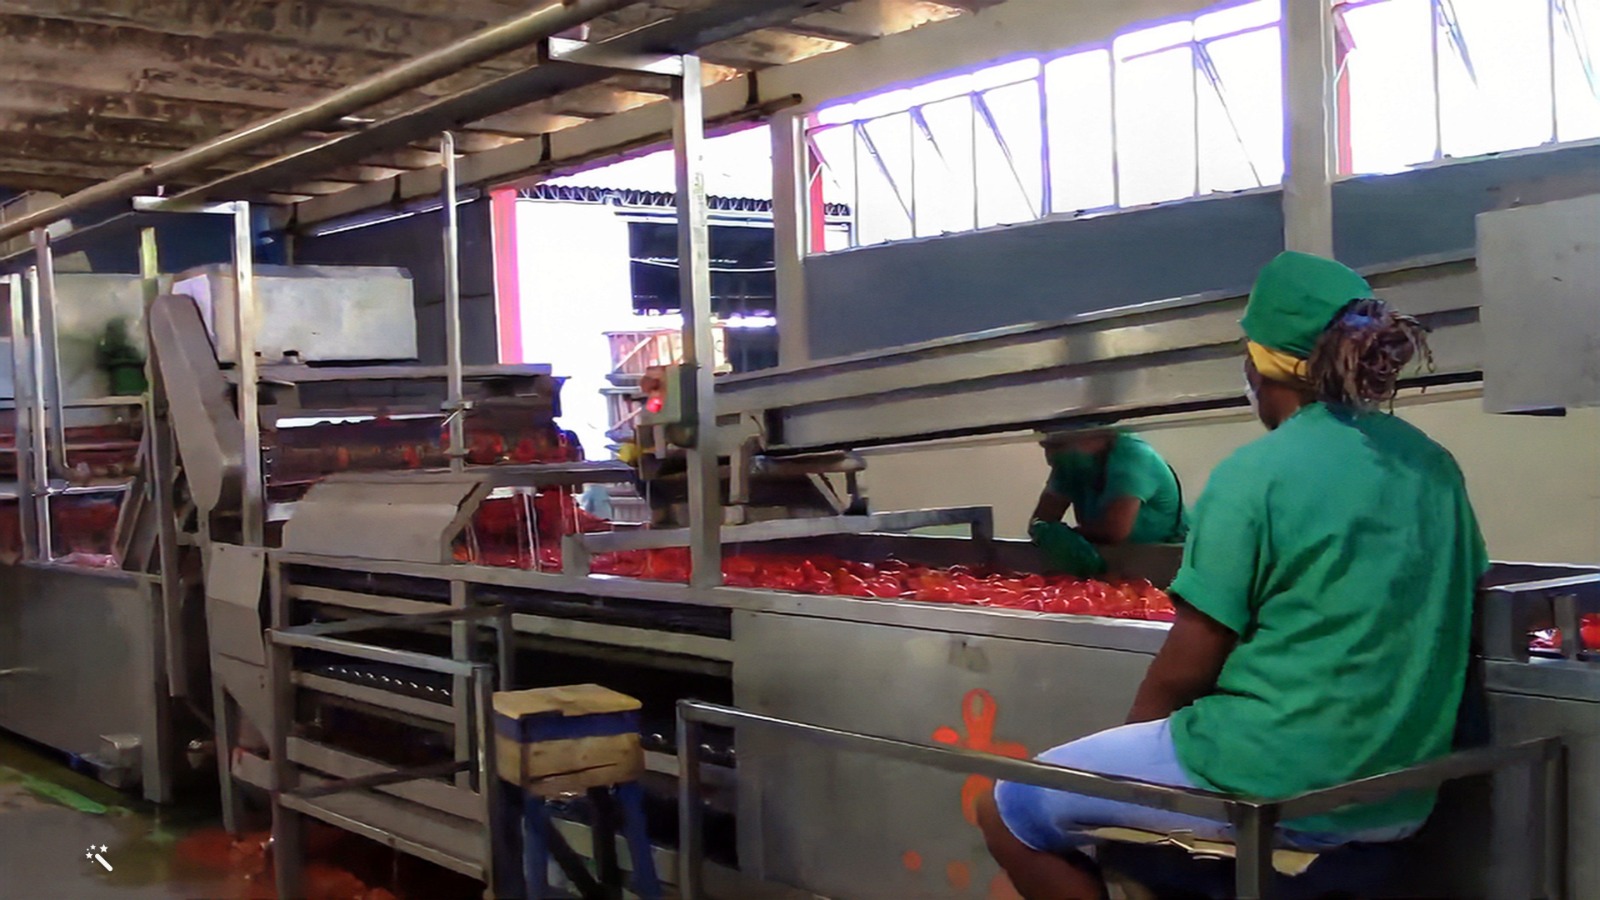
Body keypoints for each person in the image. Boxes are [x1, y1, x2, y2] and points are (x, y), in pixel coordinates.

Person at [977, 251, 1488, 900]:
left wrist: (1129, 757)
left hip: (1271, 774)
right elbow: (1458, 600)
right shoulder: (1433, 466)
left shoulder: (1255, 475)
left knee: (1011, 807)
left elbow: (1188, 661)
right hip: (1401, 790)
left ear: (1262, 363)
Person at [1028, 429, 1188, 576]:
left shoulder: (1133, 457)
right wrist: (1048, 532)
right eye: (1046, 446)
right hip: (1114, 566)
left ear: (1095, 435)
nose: (1050, 456)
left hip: (1163, 564)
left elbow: (1114, 531)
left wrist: (1061, 536)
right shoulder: (1072, 463)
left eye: (1058, 445)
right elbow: (1041, 519)